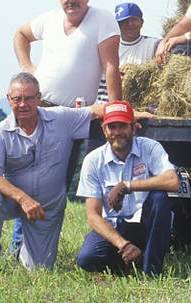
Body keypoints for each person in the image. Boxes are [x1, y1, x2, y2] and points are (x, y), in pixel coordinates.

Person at [10, 0, 122, 256]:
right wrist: (28, 68)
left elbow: (111, 66)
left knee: (54, 184)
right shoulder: (48, 19)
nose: (71, 0)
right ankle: (18, 246)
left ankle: (33, 249)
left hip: (71, 115)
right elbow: (20, 35)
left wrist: (115, 109)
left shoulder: (103, 19)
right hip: (37, 106)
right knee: (27, 178)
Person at [0, 73, 107, 270]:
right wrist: (22, 199)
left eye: (29, 98)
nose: (23, 104)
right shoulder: (1, 132)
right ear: (8, 99)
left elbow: (97, 111)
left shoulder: (62, 118)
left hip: (46, 207)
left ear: (39, 98)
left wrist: (131, 115)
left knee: (38, 270)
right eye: (17, 99)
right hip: (13, 201)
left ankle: (21, 249)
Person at [75, 100, 178, 276]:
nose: (117, 133)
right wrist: (123, 244)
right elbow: (93, 216)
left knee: (160, 198)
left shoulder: (150, 147)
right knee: (87, 258)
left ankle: (151, 270)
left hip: (144, 224)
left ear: (134, 127)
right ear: (104, 129)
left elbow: (172, 181)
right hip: (115, 227)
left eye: (122, 126)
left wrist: (127, 186)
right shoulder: (93, 160)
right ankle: (130, 259)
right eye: (111, 127)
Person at [96, 2, 161, 103]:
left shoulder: (155, 45)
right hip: (112, 105)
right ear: (116, 24)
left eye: (134, 19)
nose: (130, 24)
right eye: (124, 20)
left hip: (142, 105)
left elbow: (163, 78)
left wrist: (139, 71)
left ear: (142, 22)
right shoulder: (107, 47)